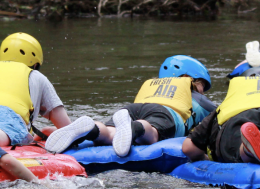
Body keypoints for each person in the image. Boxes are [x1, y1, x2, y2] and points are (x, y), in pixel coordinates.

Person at [44, 55, 217, 156]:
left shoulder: (154, 86)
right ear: (188, 77)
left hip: (133, 109)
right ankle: (135, 128)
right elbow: (221, 114)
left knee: (109, 133)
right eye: (202, 84)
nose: (203, 91)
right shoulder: (194, 96)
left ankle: (92, 129)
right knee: (153, 134)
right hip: (164, 113)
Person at [0, 33, 72, 148]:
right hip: (7, 114)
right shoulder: (37, 76)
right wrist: (50, 131)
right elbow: (67, 128)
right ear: (35, 64)